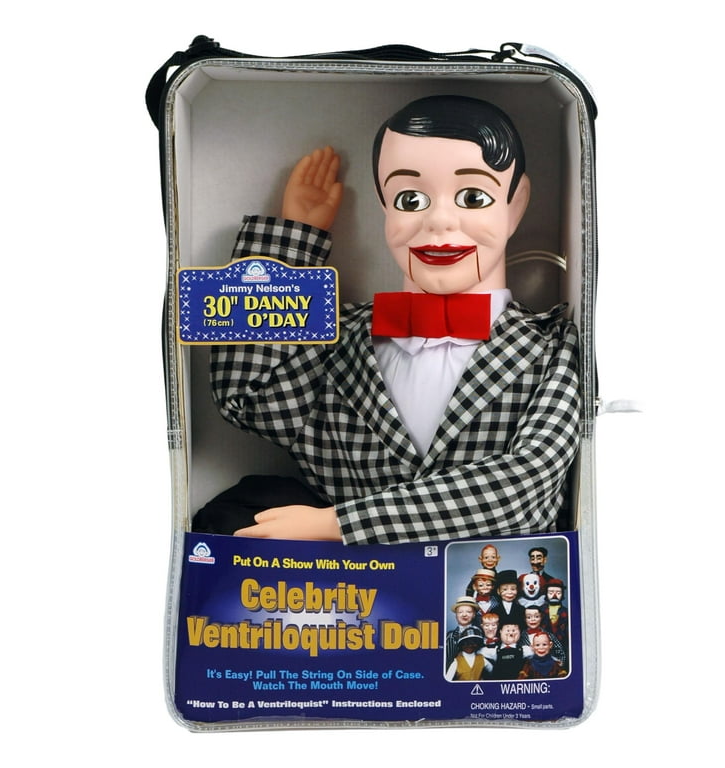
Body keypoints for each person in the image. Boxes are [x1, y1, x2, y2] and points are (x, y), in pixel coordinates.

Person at [199, 94, 580, 544]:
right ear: (384, 206)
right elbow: (249, 396)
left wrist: (339, 525)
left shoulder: (552, 349)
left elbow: (525, 485)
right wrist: (293, 244)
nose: (439, 220)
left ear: (515, 204)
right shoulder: (341, 336)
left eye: (473, 197)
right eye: (410, 198)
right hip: (348, 584)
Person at [445, 596, 481, 669]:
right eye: (460, 612)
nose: (464, 615)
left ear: (474, 614)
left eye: (469, 612)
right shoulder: (450, 636)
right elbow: (448, 662)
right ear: (456, 615)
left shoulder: (480, 633)